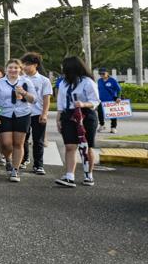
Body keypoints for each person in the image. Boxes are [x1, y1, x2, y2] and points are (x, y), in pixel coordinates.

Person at [55, 57, 100, 188]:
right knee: (70, 146)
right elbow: (61, 101)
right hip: (68, 115)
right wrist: (58, 118)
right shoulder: (63, 82)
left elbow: (95, 101)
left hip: (85, 114)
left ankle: (88, 174)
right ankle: (69, 176)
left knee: (87, 146)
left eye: (65, 66)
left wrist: (83, 103)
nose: (63, 69)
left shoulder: (87, 82)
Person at [0, 59, 36, 182]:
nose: (13, 70)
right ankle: (8, 159)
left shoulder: (26, 81)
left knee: (18, 144)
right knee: (6, 143)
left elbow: (34, 100)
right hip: (4, 115)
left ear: (20, 69)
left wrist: (24, 93)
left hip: (23, 114)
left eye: (16, 68)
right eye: (10, 67)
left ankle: (15, 171)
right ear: (6, 69)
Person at [20, 53, 53, 175]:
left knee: (38, 140)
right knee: (23, 139)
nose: (24, 67)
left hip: (37, 113)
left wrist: (44, 114)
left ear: (36, 65)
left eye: (27, 64)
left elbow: (46, 98)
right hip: (22, 113)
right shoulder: (20, 79)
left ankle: (38, 165)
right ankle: (24, 159)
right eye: (23, 64)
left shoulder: (44, 80)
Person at [96, 68, 121, 134]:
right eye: (100, 74)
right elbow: (98, 90)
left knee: (112, 114)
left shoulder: (112, 80)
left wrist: (118, 97)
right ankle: (102, 125)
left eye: (103, 73)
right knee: (100, 113)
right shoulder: (99, 81)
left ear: (107, 73)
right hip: (101, 100)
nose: (101, 75)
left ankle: (113, 127)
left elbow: (119, 89)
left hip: (111, 100)